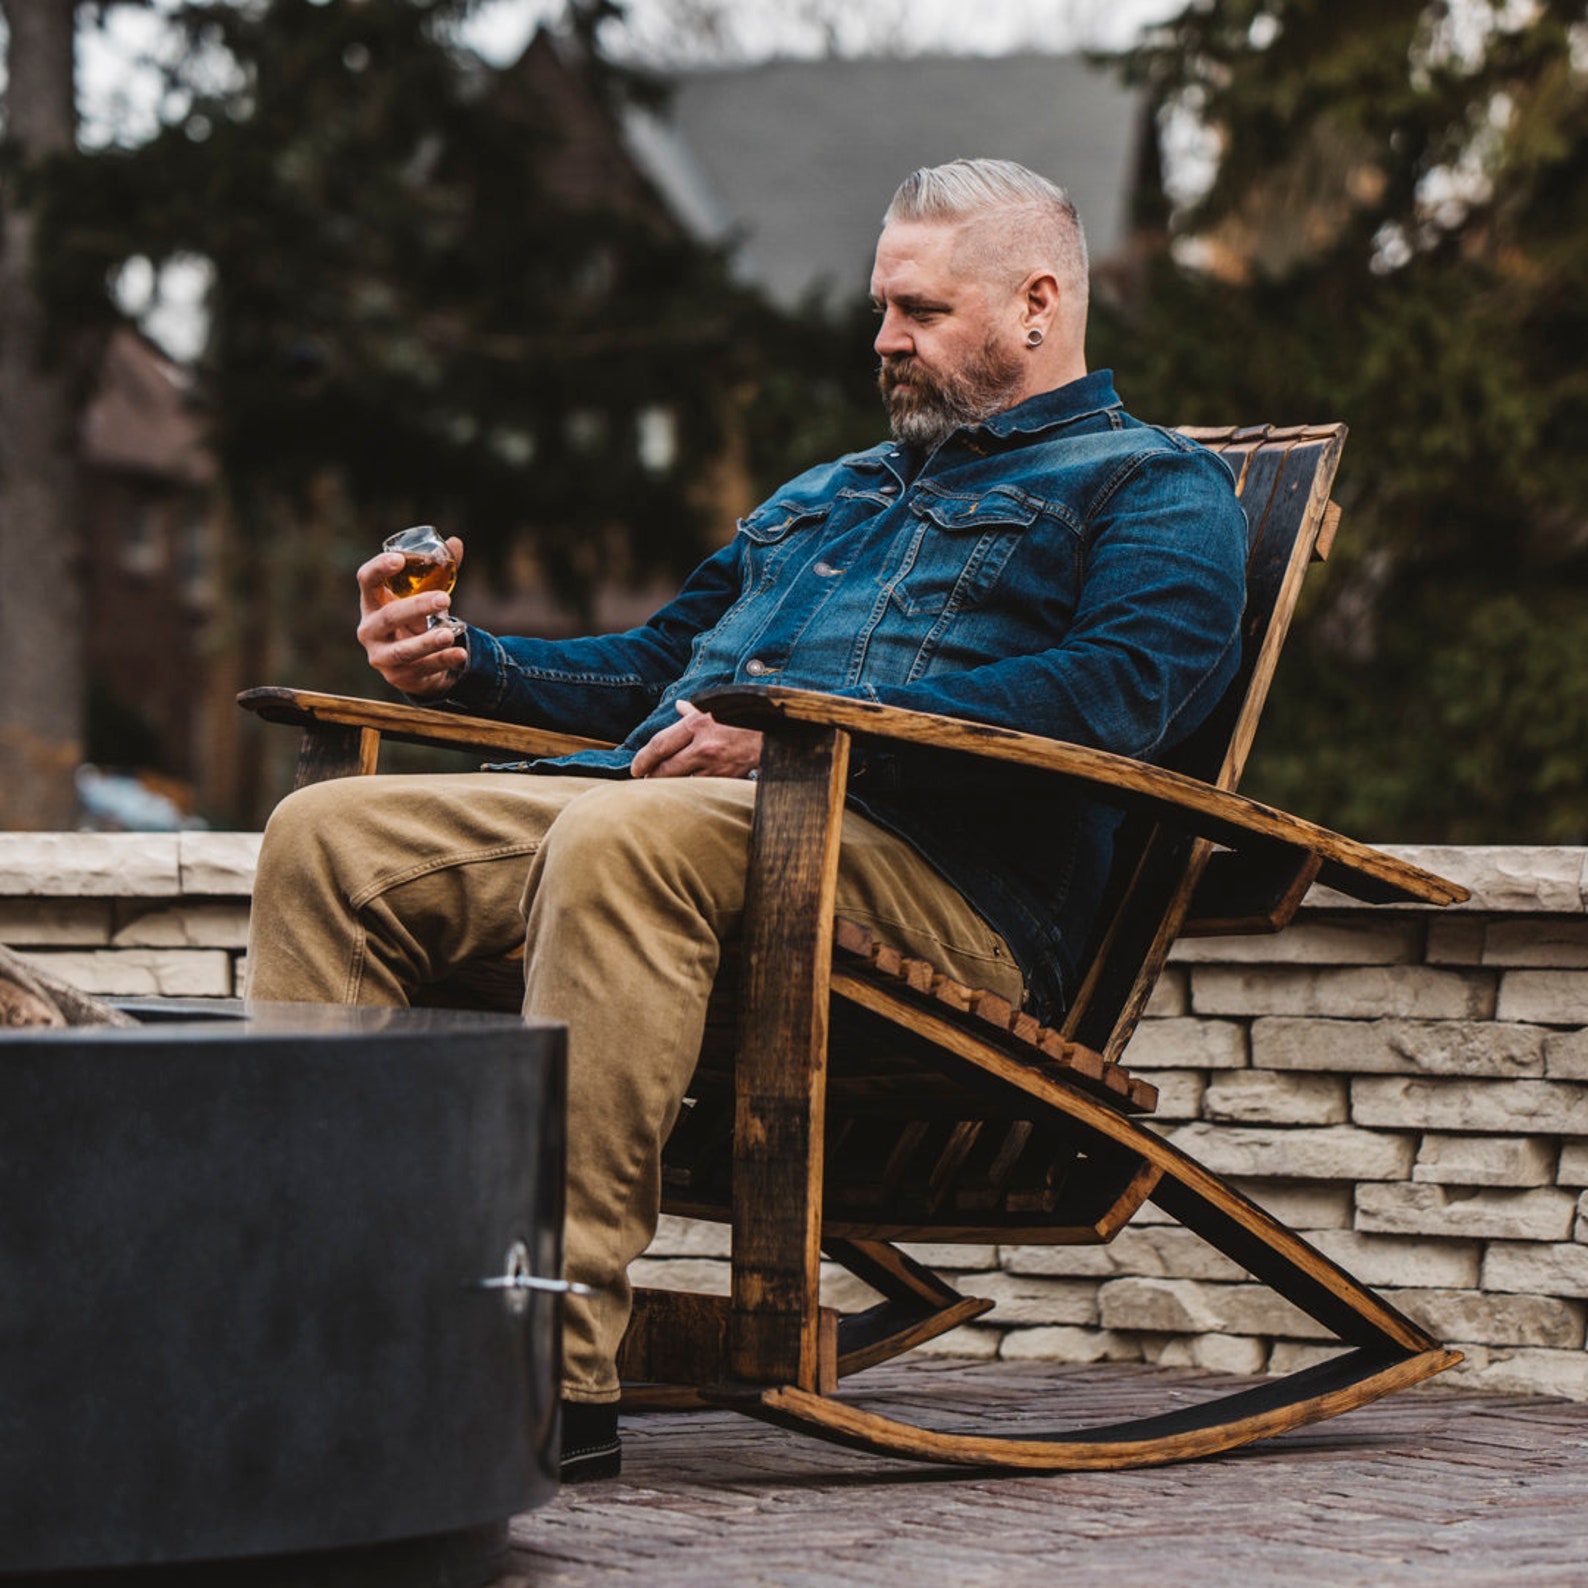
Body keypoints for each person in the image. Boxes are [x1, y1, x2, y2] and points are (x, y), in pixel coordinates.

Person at [245, 158, 1248, 1481]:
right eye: (882, 307)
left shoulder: (1151, 487)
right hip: (685, 831)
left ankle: (549, 1369)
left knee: (627, 841)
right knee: (328, 838)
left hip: (939, 887)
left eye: (921, 311)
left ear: (1037, 305)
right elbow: (655, 670)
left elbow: (1119, 696)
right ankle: (335, 1329)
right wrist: (468, 663)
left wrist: (800, 729)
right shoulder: (832, 493)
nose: (884, 338)